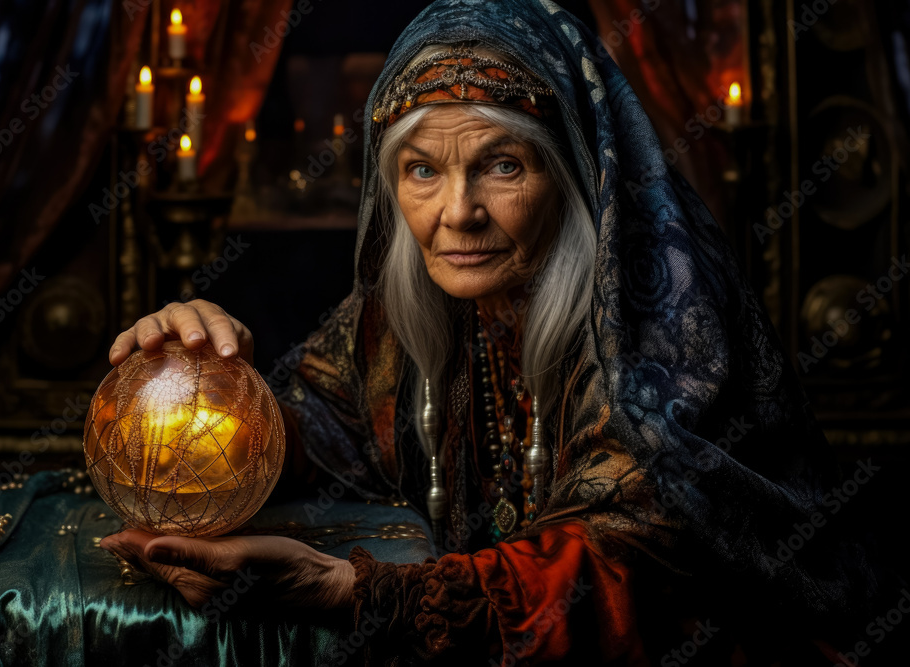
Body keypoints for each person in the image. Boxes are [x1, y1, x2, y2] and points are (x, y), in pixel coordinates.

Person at [101, 0, 891, 663]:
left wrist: (349, 590)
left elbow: (626, 575)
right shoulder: (407, 309)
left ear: (574, 174)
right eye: (422, 170)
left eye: (503, 164)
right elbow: (311, 434)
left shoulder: (660, 323)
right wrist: (201, 377)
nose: (456, 212)